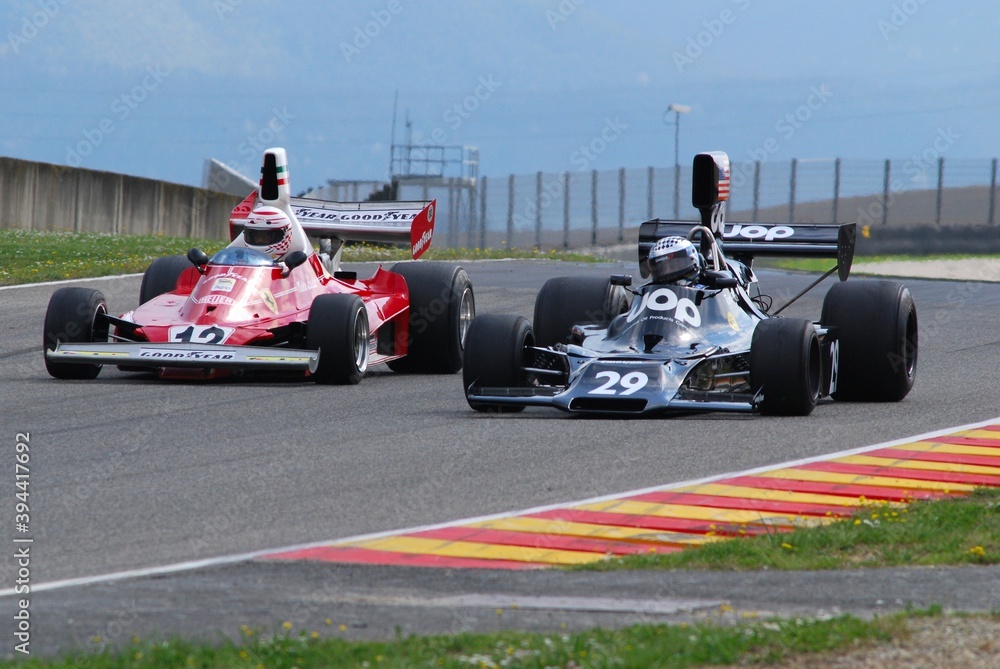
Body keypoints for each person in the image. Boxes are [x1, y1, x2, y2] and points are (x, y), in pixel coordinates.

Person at [237, 206, 311, 261]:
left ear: (285, 235)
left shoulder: (292, 263)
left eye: (266, 237)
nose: (259, 240)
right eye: (254, 236)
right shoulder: (240, 260)